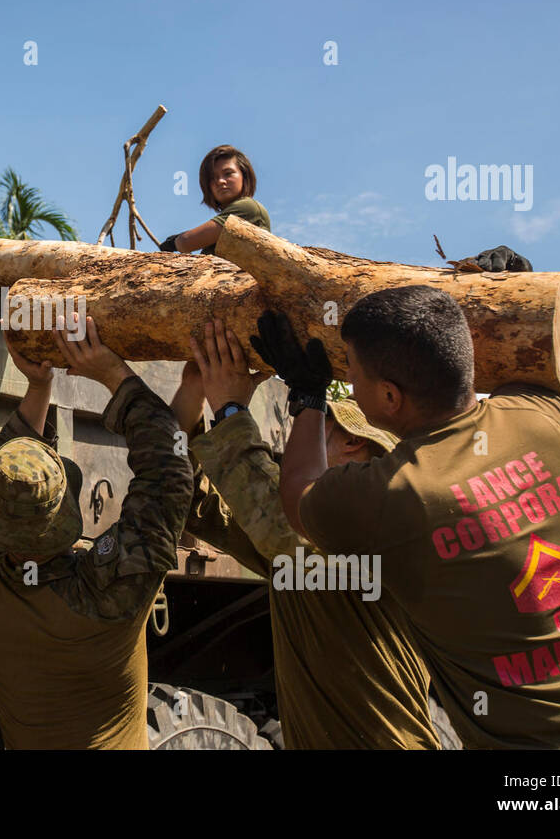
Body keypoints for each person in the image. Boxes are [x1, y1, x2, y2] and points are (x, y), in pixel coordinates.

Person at [264, 287, 560, 748]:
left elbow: (300, 490)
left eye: (353, 374)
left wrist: (308, 395)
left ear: (388, 395)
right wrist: (513, 287)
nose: (352, 385)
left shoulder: (396, 493)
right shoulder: (543, 417)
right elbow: (526, 365)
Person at [170, 320, 442, 748]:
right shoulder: (295, 557)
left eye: (313, 425)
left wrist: (230, 411)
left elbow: (281, 529)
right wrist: (193, 392)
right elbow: (191, 502)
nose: (293, 441)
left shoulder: (378, 533)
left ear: (353, 442)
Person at [0, 322, 193, 749]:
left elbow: (8, 490)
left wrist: (39, 386)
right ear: (64, 515)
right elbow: (168, 471)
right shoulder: (102, 599)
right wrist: (110, 373)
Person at [160, 144, 270, 254]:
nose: (220, 181)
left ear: (244, 175)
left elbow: (186, 243)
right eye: (213, 178)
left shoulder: (248, 207)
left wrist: (175, 242)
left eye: (228, 174)